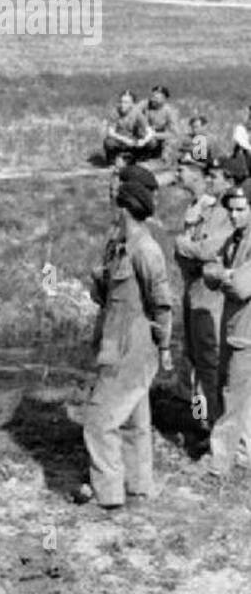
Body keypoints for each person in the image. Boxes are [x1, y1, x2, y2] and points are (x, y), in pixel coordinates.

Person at [77, 163, 173, 510]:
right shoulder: (119, 245)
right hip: (117, 342)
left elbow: (161, 303)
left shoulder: (145, 250)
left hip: (130, 347)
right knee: (134, 420)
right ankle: (138, 486)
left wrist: (164, 348)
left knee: (99, 422)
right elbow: (109, 295)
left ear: (123, 207)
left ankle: (109, 496)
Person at [173, 152, 232, 428]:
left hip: (208, 292)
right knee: (194, 357)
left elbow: (207, 251)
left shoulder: (223, 213)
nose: (210, 181)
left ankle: (216, 423)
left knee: (209, 358)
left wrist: (182, 245)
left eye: (214, 176)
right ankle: (200, 420)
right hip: (192, 288)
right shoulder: (201, 209)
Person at [201, 185, 251, 477]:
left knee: (232, 394)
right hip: (234, 325)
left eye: (240, 209)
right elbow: (208, 271)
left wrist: (225, 275)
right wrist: (225, 274)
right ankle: (243, 454)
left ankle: (219, 462)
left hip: (246, 329)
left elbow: (242, 287)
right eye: (230, 209)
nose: (234, 215)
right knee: (239, 394)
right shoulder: (234, 239)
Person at [102, 90, 153, 166]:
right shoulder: (115, 112)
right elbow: (110, 132)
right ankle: (112, 161)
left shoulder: (137, 113)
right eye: (121, 102)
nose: (122, 105)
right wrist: (124, 140)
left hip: (133, 140)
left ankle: (141, 159)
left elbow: (150, 131)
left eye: (126, 102)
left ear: (132, 104)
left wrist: (143, 141)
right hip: (119, 140)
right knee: (108, 142)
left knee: (152, 142)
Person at [136, 84, 180, 165]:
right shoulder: (144, 104)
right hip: (141, 133)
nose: (153, 100)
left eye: (157, 98)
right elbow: (134, 113)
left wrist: (154, 135)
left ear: (164, 99)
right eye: (152, 97)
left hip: (156, 137)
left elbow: (174, 134)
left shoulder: (169, 111)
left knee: (158, 142)